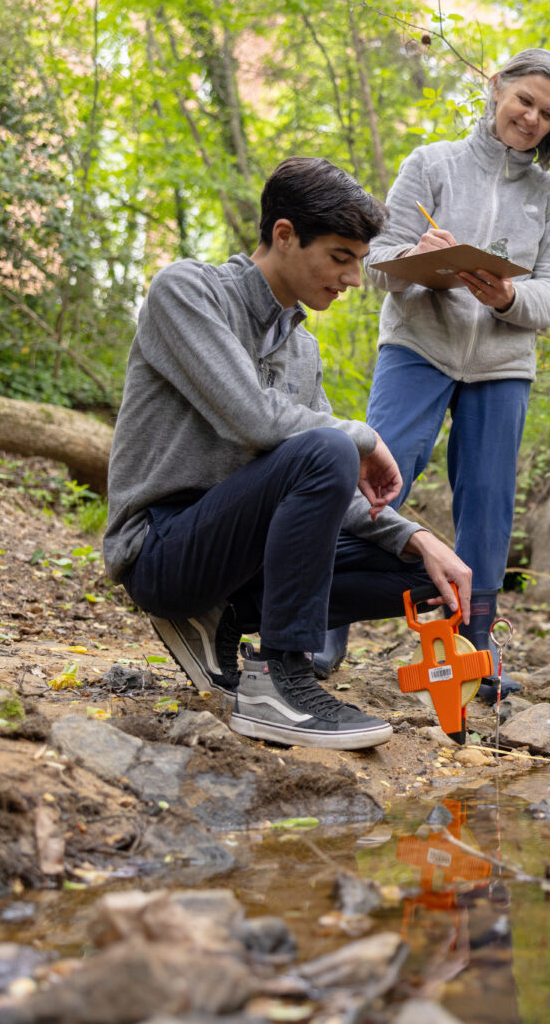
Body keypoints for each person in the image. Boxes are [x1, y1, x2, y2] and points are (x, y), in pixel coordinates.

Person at [102, 156, 472, 751]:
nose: (354, 279)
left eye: (359, 260)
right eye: (341, 257)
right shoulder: (188, 292)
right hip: (163, 548)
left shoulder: (303, 350)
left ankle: (222, 619)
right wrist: (363, 437)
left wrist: (418, 538)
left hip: (240, 557)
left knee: (422, 573)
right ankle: (280, 681)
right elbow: (253, 419)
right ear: (284, 235)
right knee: (329, 447)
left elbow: (323, 486)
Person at [341, 48, 550, 700]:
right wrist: (416, 256)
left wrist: (508, 297)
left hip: (502, 365)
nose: (532, 118)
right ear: (497, 88)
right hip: (418, 347)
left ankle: (476, 643)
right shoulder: (432, 163)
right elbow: (374, 261)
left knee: (487, 502)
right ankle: (324, 615)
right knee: (377, 479)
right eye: (524, 100)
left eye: (547, 113)